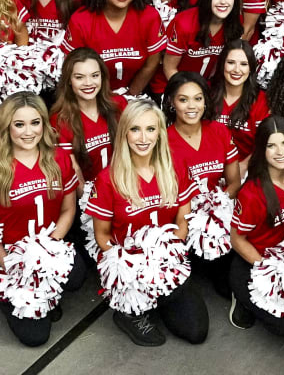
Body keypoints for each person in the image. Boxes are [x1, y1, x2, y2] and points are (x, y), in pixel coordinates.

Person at [87, 99, 209, 347]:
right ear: (125, 133)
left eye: (151, 129)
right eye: (135, 129)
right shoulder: (107, 179)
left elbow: (183, 221)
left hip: (166, 262)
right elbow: (102, 235)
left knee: (196, 332)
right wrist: (132, 267)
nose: (143, 138)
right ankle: (128, 312)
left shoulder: (174, 166)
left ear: (160, 133)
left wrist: (166, 259)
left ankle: (159, 300)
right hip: (130, 269)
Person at [0, 92, 85, 346]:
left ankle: (47, 294)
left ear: (44, 125)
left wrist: (49, 250)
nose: (28, 132)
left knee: (77, 275)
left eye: (35, 123)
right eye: (19, 124)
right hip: (10, 256)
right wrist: (11, 266)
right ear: (6, 127)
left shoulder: (58, 159)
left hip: (48, 250)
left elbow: (69, 210)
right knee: (36, 338)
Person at [228, 116, 284, 335]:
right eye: (271, 146)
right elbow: (237, 239)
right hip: (257, 260)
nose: (280, 151)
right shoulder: (251, 193)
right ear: (261, 151)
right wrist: (268, 269)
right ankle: (242, 297)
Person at [63, 0, 165, 95]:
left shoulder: (149, 16)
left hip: (136, 94)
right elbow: (74, 69)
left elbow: (152, 63)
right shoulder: (81, 20)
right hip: (91, 95)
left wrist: (130, 96)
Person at [51, 48, 125, 184]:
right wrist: (87, 201)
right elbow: (73, 168)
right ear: (69, 80)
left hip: (123, 186)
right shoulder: (60, 119)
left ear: (102, 76)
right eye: (79, 77)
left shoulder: (119, 104)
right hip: (88, 196)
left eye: (95, 75)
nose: (88, 83)